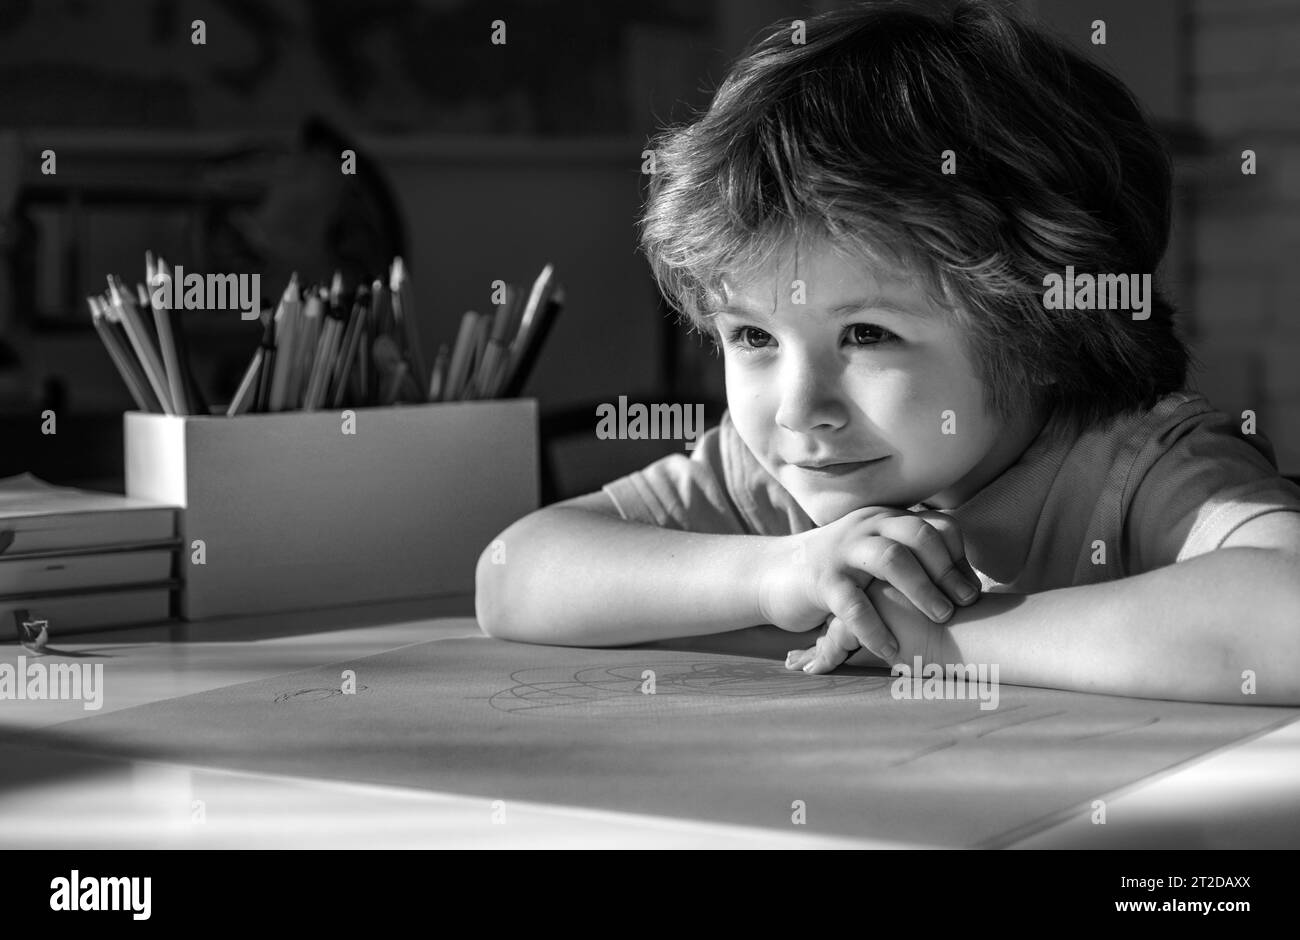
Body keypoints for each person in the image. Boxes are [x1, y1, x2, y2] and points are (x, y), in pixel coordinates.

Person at [475, 1, 1300, 705]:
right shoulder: (778, 478)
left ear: (1047, 331)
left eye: (866, 334)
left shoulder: (1139, 468)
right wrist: (778, 573)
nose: (800, 408)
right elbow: (512, 573)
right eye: (753, 337)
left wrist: (950, 649)